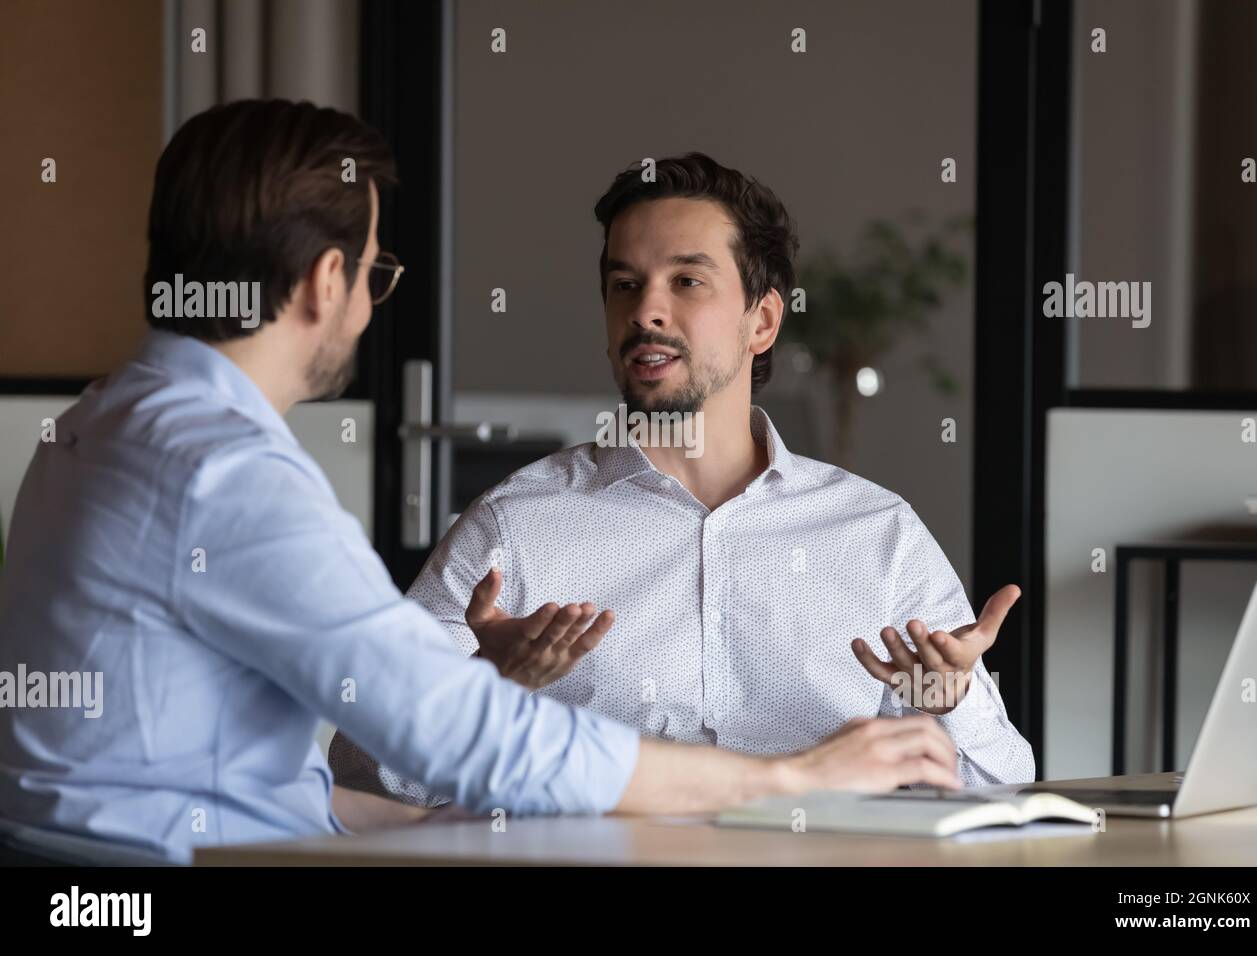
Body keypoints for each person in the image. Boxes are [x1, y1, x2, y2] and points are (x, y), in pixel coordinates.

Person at [0, 103, 961, 864]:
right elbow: (450, 731)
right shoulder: (229, 475)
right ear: (324, 283)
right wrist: (784, 783)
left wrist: (445, 817)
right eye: (377, 277)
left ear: (764, 320)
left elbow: (263, 782)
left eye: (688, 281)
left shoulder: (98, 422)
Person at [331, 152, 1034, 810]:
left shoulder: (878, 533)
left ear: (762, 321)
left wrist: (948, 697)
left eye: (687, 281)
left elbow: (1003, 785)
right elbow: (363, 781)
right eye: (624, 285)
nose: (646, 311)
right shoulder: (515, 526)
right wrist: (487, 690)